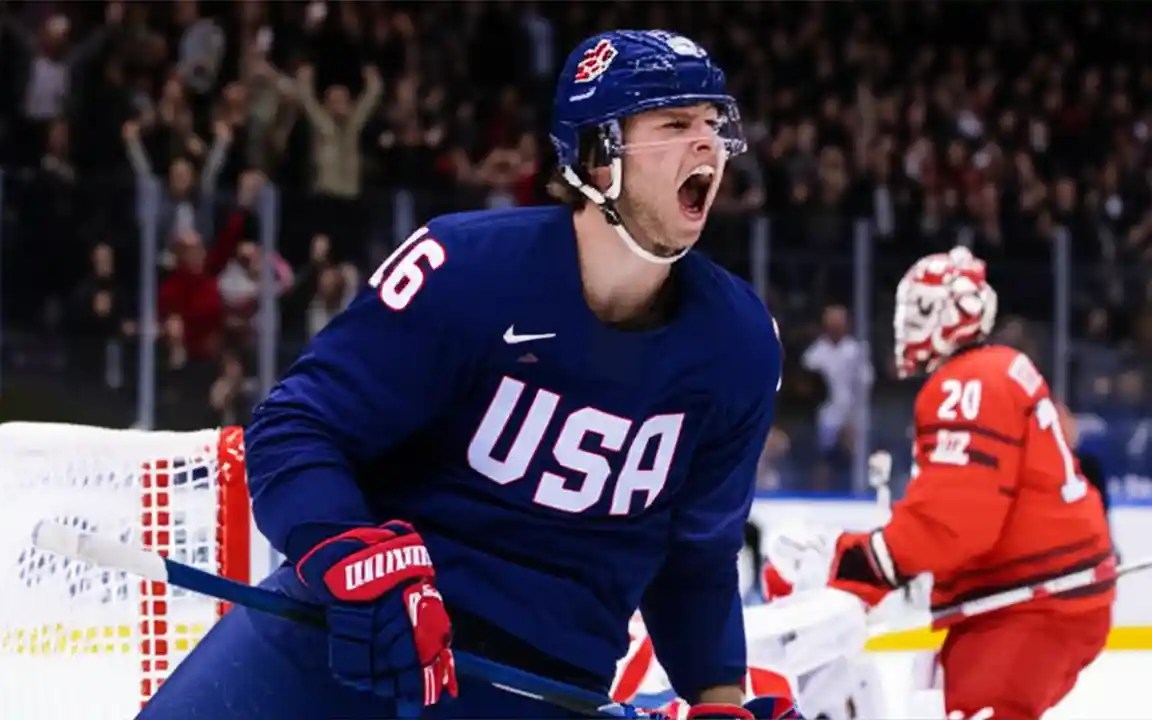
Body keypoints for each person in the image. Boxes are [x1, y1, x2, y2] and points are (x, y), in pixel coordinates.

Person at [138, 29, 794, 720]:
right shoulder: (466, 269)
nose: (708, 146)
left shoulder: (740, 345)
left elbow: (696, 558)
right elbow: (295, 429)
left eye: (713, 126)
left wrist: (720, 702)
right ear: (601, 156)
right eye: (675, 123)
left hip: (541, 689)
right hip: (346, 638)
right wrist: (350, 552)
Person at [777, 247, 1114, 719]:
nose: (907, 326)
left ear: (957, 313)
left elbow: (956, 520)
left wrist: (872, 560)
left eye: (922, 311)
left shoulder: (967, 383)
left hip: (1031, 605)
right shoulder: (996, 368)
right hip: (1039, 594)